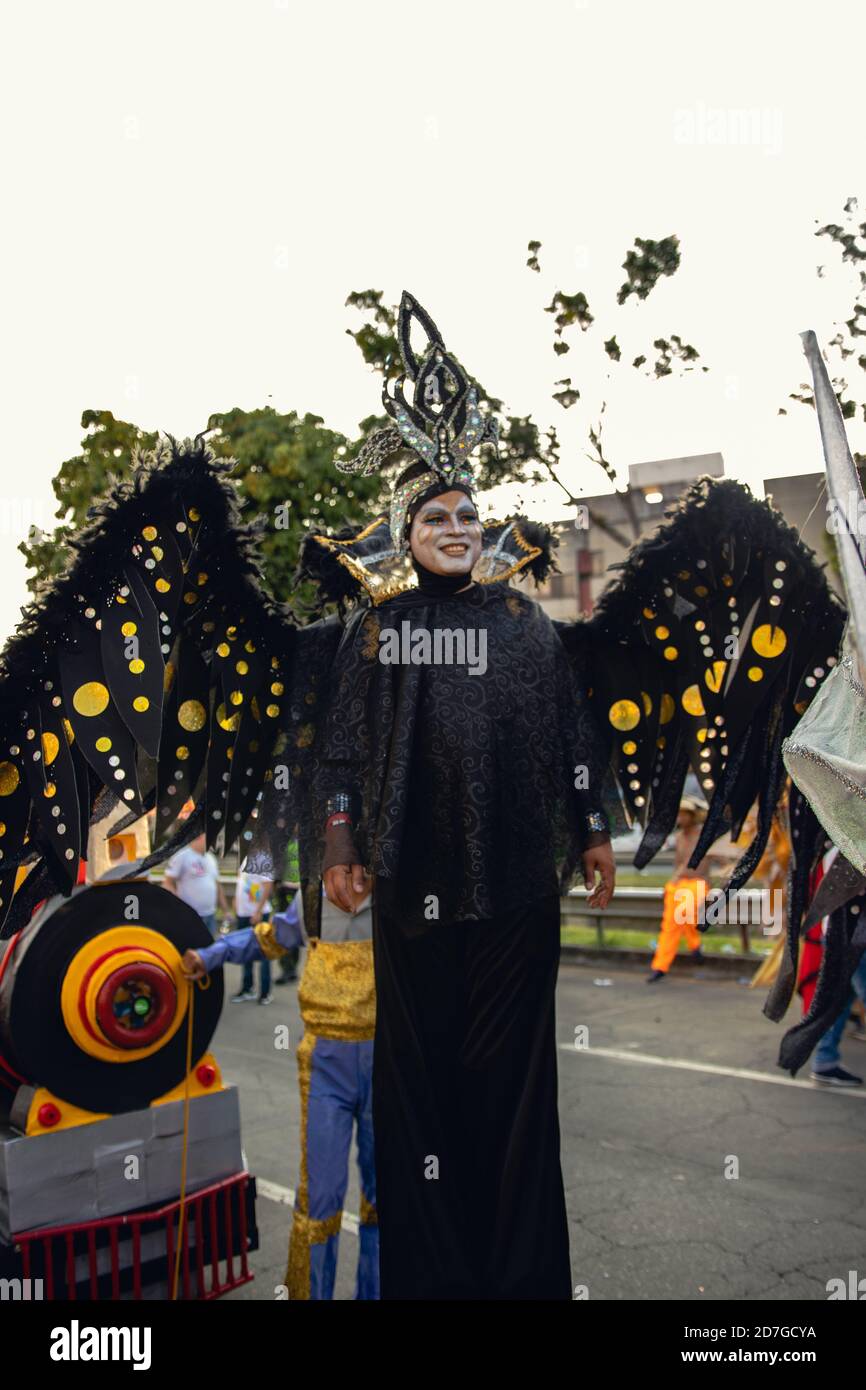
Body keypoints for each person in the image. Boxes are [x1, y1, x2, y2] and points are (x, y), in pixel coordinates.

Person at [299, 294, 616, 1301]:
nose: (455, 527)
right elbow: (339, 751)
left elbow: (573, 735)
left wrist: (593, 831)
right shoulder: (377, 632)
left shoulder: (527, 627)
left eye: (468, 514)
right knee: (422, 1096)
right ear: (407, 530)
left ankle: (521, 1282)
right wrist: (341, 840)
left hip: (519, 892)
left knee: (516, 1096)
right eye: (435, 516)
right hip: (414, 895)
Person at [183, 878, 378, 1299]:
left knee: (384, 1197)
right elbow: (269, 938)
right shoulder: (314, 899)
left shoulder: (396, 897)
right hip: (327, 1066)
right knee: (321, 1195)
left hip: (389, 1065)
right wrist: (210, 955)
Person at [647, 797, 725, 982]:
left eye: (683, 814)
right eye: (678, 814)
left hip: (698, 883)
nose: (680, 818)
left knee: (678, 918)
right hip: (678, 884)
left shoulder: (705, 836)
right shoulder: (679, 837)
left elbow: (722, 860)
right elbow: (679, 865)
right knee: (673, 923)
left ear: (692, 816)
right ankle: (683, 954)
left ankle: (670, 961)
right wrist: (672, 883)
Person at [163, 832, 228, 937]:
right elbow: (167, 883)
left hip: (210, 915)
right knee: (190, 950)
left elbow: (217, 886)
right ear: (198, 836)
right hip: (189, 917)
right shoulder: (182, 856)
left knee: (210, 949)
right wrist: (178, 907)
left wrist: (225, 910)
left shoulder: (211, 858)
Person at [230, 860, 274, 1004]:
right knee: (246, 952)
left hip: (258, 915)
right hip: (244, 914)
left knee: (263, 953)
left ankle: (265, 993)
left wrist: (258, 911)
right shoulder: (245, 859)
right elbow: (241, 880)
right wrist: (236, 901)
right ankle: (247, 989)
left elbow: (268, 886)